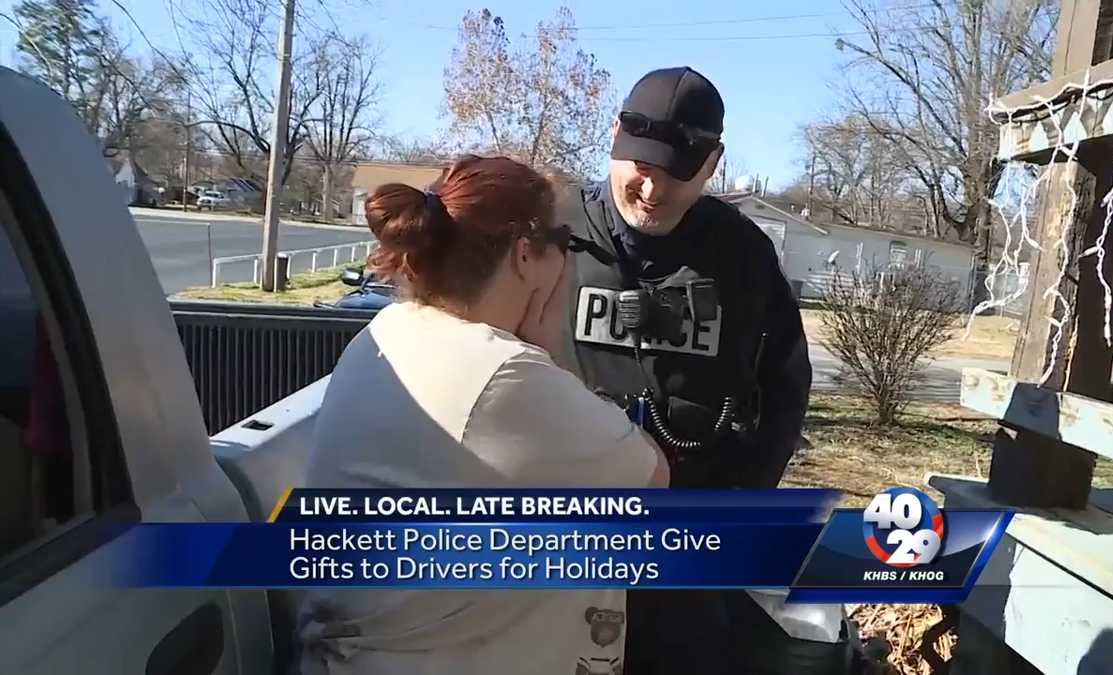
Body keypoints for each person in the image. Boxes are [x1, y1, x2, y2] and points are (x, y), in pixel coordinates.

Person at [295, 155, 670, 675]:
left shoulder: (389, 329)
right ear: (524, 255)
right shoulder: (509, 376)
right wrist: (548, 350)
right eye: (564, 243)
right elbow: (653, 483)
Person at [559, 67, 854, 674]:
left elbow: (785, 380)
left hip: (691, 531)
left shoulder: (742, 254)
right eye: (640, 168)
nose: (651, 190)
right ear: (615, 137)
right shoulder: (554, 233)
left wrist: (746, 500)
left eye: (677, 175)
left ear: (712, 163)